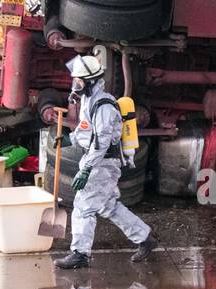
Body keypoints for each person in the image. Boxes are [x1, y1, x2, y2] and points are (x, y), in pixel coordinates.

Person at [54, 54, 158, 269]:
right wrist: (68, 139)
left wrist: (86, 170)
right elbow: (86, 131)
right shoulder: (88, 101)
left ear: (90, 82)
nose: (76, 85)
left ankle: (80, 254)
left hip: (102, 163)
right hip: (96, 160)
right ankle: (145, 237)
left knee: (83, 206)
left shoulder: (104, 106)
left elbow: (101, 142)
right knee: (109, 206)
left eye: (79, 81)